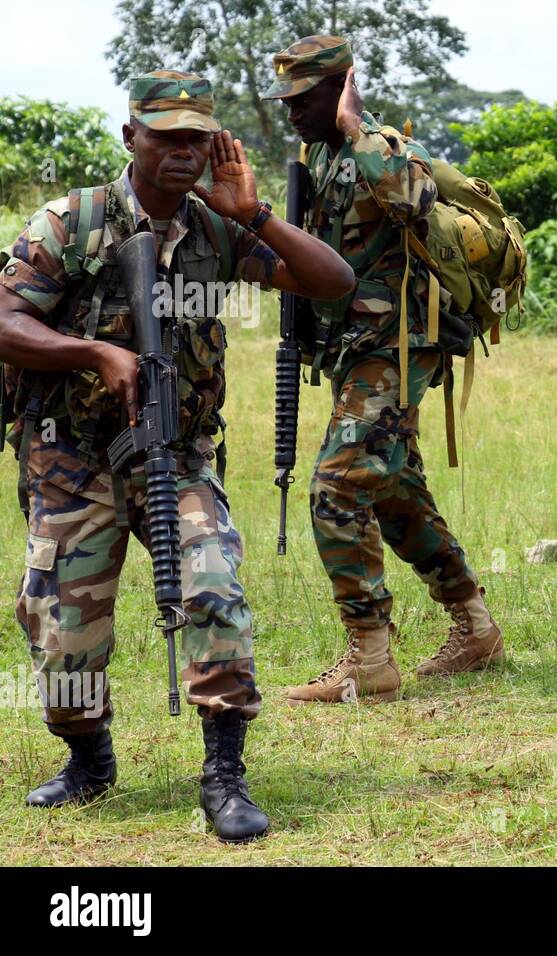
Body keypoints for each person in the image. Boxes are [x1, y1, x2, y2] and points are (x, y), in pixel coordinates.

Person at [0, 71, 354, 841]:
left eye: (198, 138)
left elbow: (333, 282)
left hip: (179, 453)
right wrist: (95, 353)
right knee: (63, 641)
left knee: (213, 589)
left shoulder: (218, 229)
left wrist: (253, 210)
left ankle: (224, 774)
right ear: (132, 137)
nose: (184, 153)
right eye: (167, 136)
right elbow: (3, 320)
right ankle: (88, 762)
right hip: (73, 464)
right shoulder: (72, 222)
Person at [261, 36, 503, 704]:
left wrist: (354, 123)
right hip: (354, 351)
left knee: (337, 487)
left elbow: (413, 204)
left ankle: (369, 659)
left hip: (397, 348)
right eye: (285, 100)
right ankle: (476, 628)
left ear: (338, 88)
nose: (291, 113)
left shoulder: (383, 146)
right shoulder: (315, 158)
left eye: (304, 98)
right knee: (394, 496)